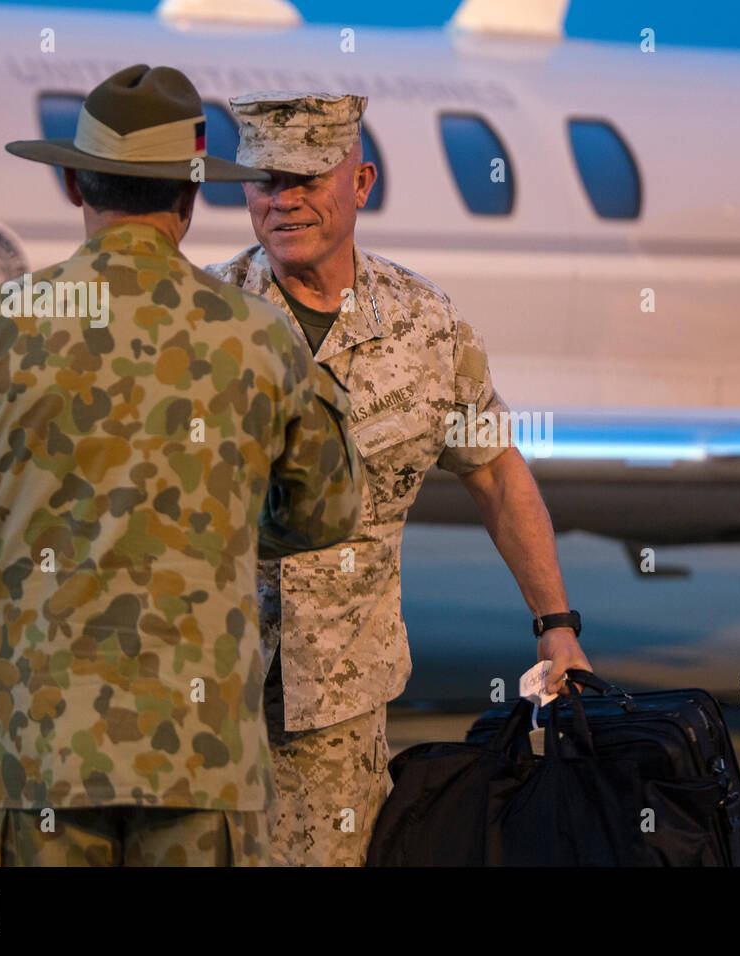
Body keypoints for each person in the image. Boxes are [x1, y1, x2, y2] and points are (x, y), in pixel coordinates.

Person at [0, 65, 364, 866]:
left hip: (40, 764)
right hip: (204, 767)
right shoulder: (259, 337)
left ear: (73, 182)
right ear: (193, 191)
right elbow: (328, 513)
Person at [207, 91, 592, 866]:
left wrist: (558, 625)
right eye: (264, 180)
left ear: (362, 182)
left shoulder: (426, 326)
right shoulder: (201, 317)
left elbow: (495, 475)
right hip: (206, 694)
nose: (285, 200)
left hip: (340, 711)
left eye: (310, 178)